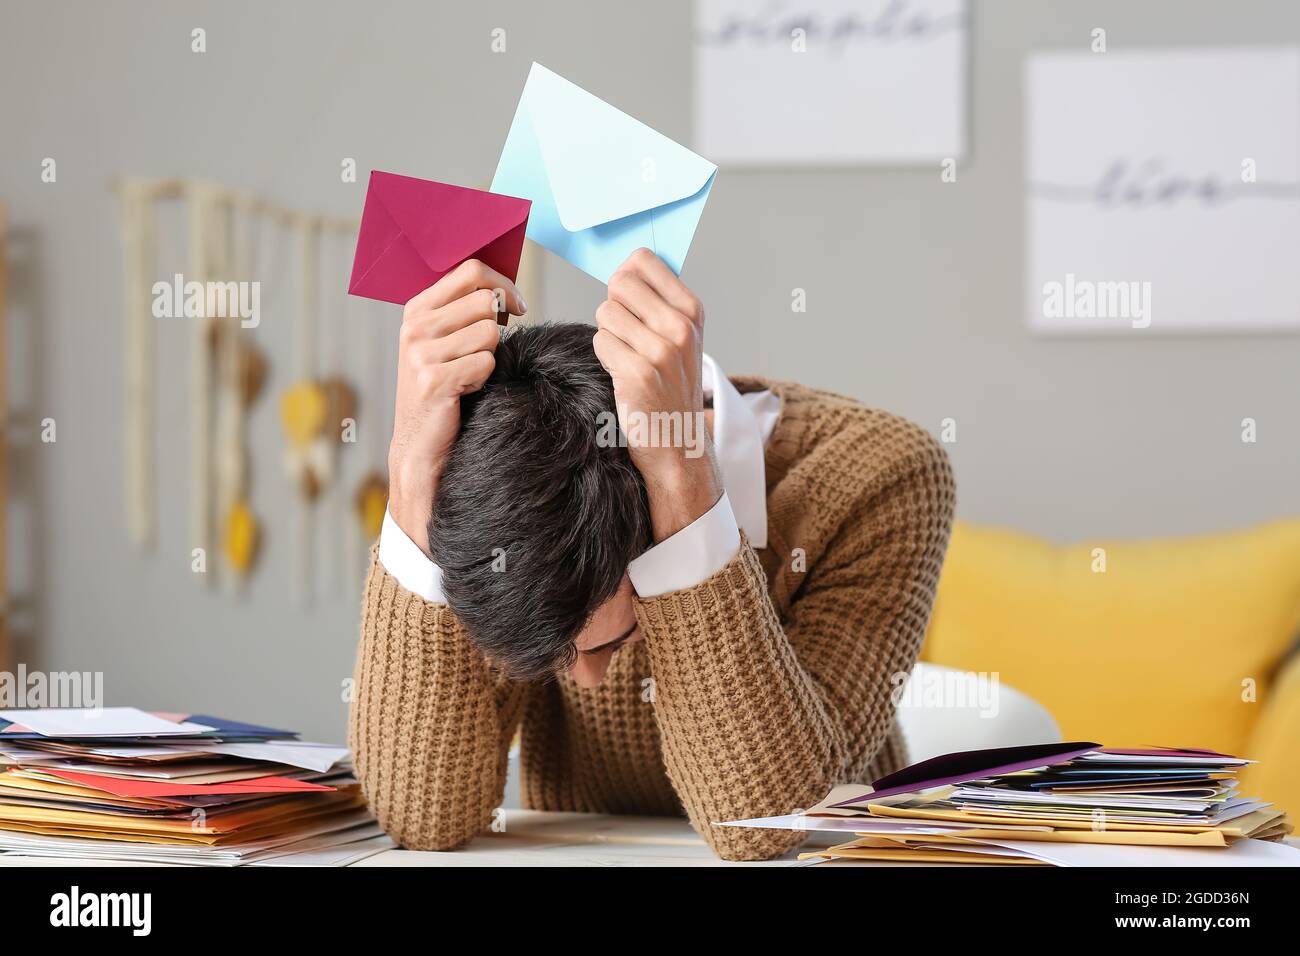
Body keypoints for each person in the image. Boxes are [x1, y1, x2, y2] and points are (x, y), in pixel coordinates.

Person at [348, 248, 955, 861]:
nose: (584, 680)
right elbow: (424, 820)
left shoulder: (884, 475)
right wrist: (413, 471)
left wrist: (683, 484)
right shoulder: (509, 492)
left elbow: (772, 822)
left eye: (615, 638)